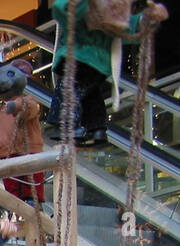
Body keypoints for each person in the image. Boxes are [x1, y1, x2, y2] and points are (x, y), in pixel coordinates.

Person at [49, 0, 168, 146]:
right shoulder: (112, 15)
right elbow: (132, 27)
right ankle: (95, 127)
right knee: (91, 95)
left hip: (79, 56)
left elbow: (62, 9)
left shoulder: (93, 11)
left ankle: (65, 124)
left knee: (70, 89)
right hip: (99, 63)